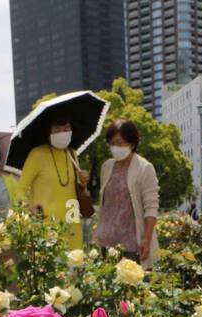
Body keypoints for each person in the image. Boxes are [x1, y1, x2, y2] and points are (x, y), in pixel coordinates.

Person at [18, 111, 89, 249]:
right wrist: (28, 208)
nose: (63, 132)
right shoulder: (37, 154)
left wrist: (82, 182)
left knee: (74, 266)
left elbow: (73, 190)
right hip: (47, 225)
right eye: (57, 129)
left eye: (66, 128)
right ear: (48, 133)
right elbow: (20, 188)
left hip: (72, 222)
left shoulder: (72, 153)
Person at [94, 119, 160, 268]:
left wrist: (146, 239)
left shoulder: (144, 168)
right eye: (111, 143)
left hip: (132, 243)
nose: (114, 147)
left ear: (132, 143)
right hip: (107, 241)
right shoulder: (106, 167)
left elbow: (151, 207)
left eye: (119, 142)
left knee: (133, 286)